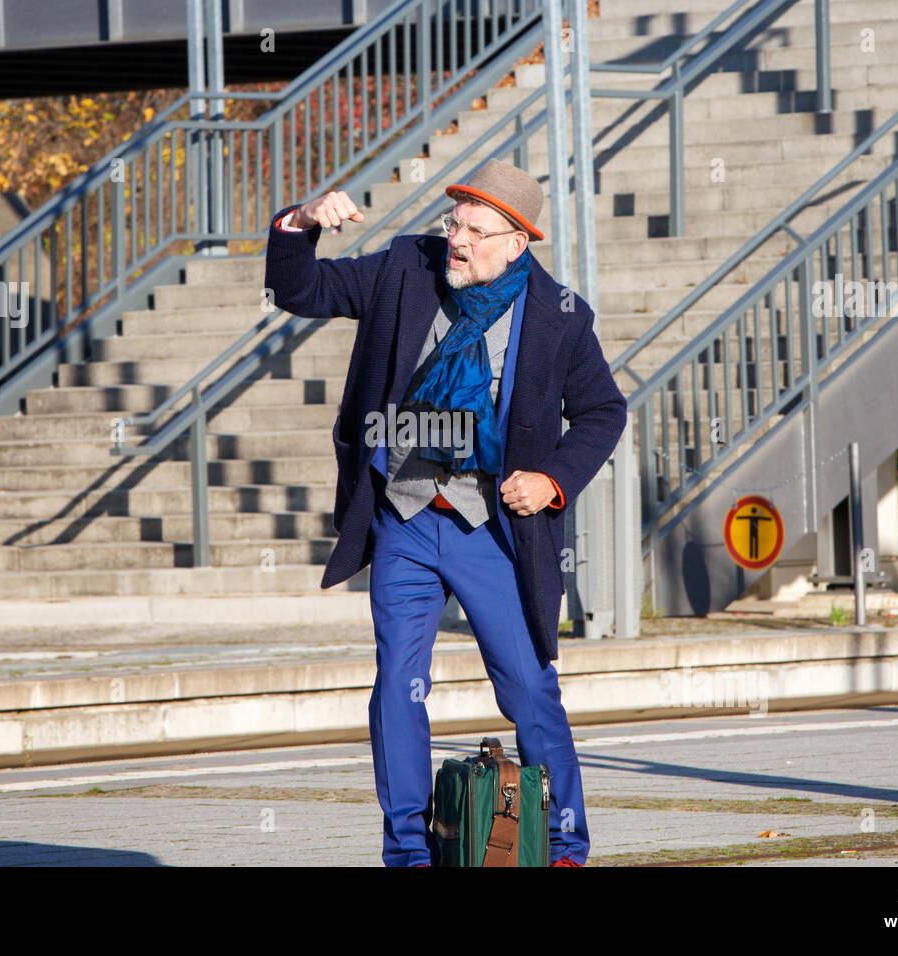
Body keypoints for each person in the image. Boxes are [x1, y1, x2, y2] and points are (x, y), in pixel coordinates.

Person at [263, 158, 627, 866]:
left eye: (474, 230)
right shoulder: (407, 268)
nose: (456, 239)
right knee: (399, 680)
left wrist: (552, 480)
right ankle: (407, 852)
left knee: (528, 688)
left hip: (489, 526)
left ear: (516, 242)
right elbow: (299, 291)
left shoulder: (559, 317)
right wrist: (301, 224)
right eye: (452, 221)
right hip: (404, 517)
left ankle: (564, 845)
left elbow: (602, 412)